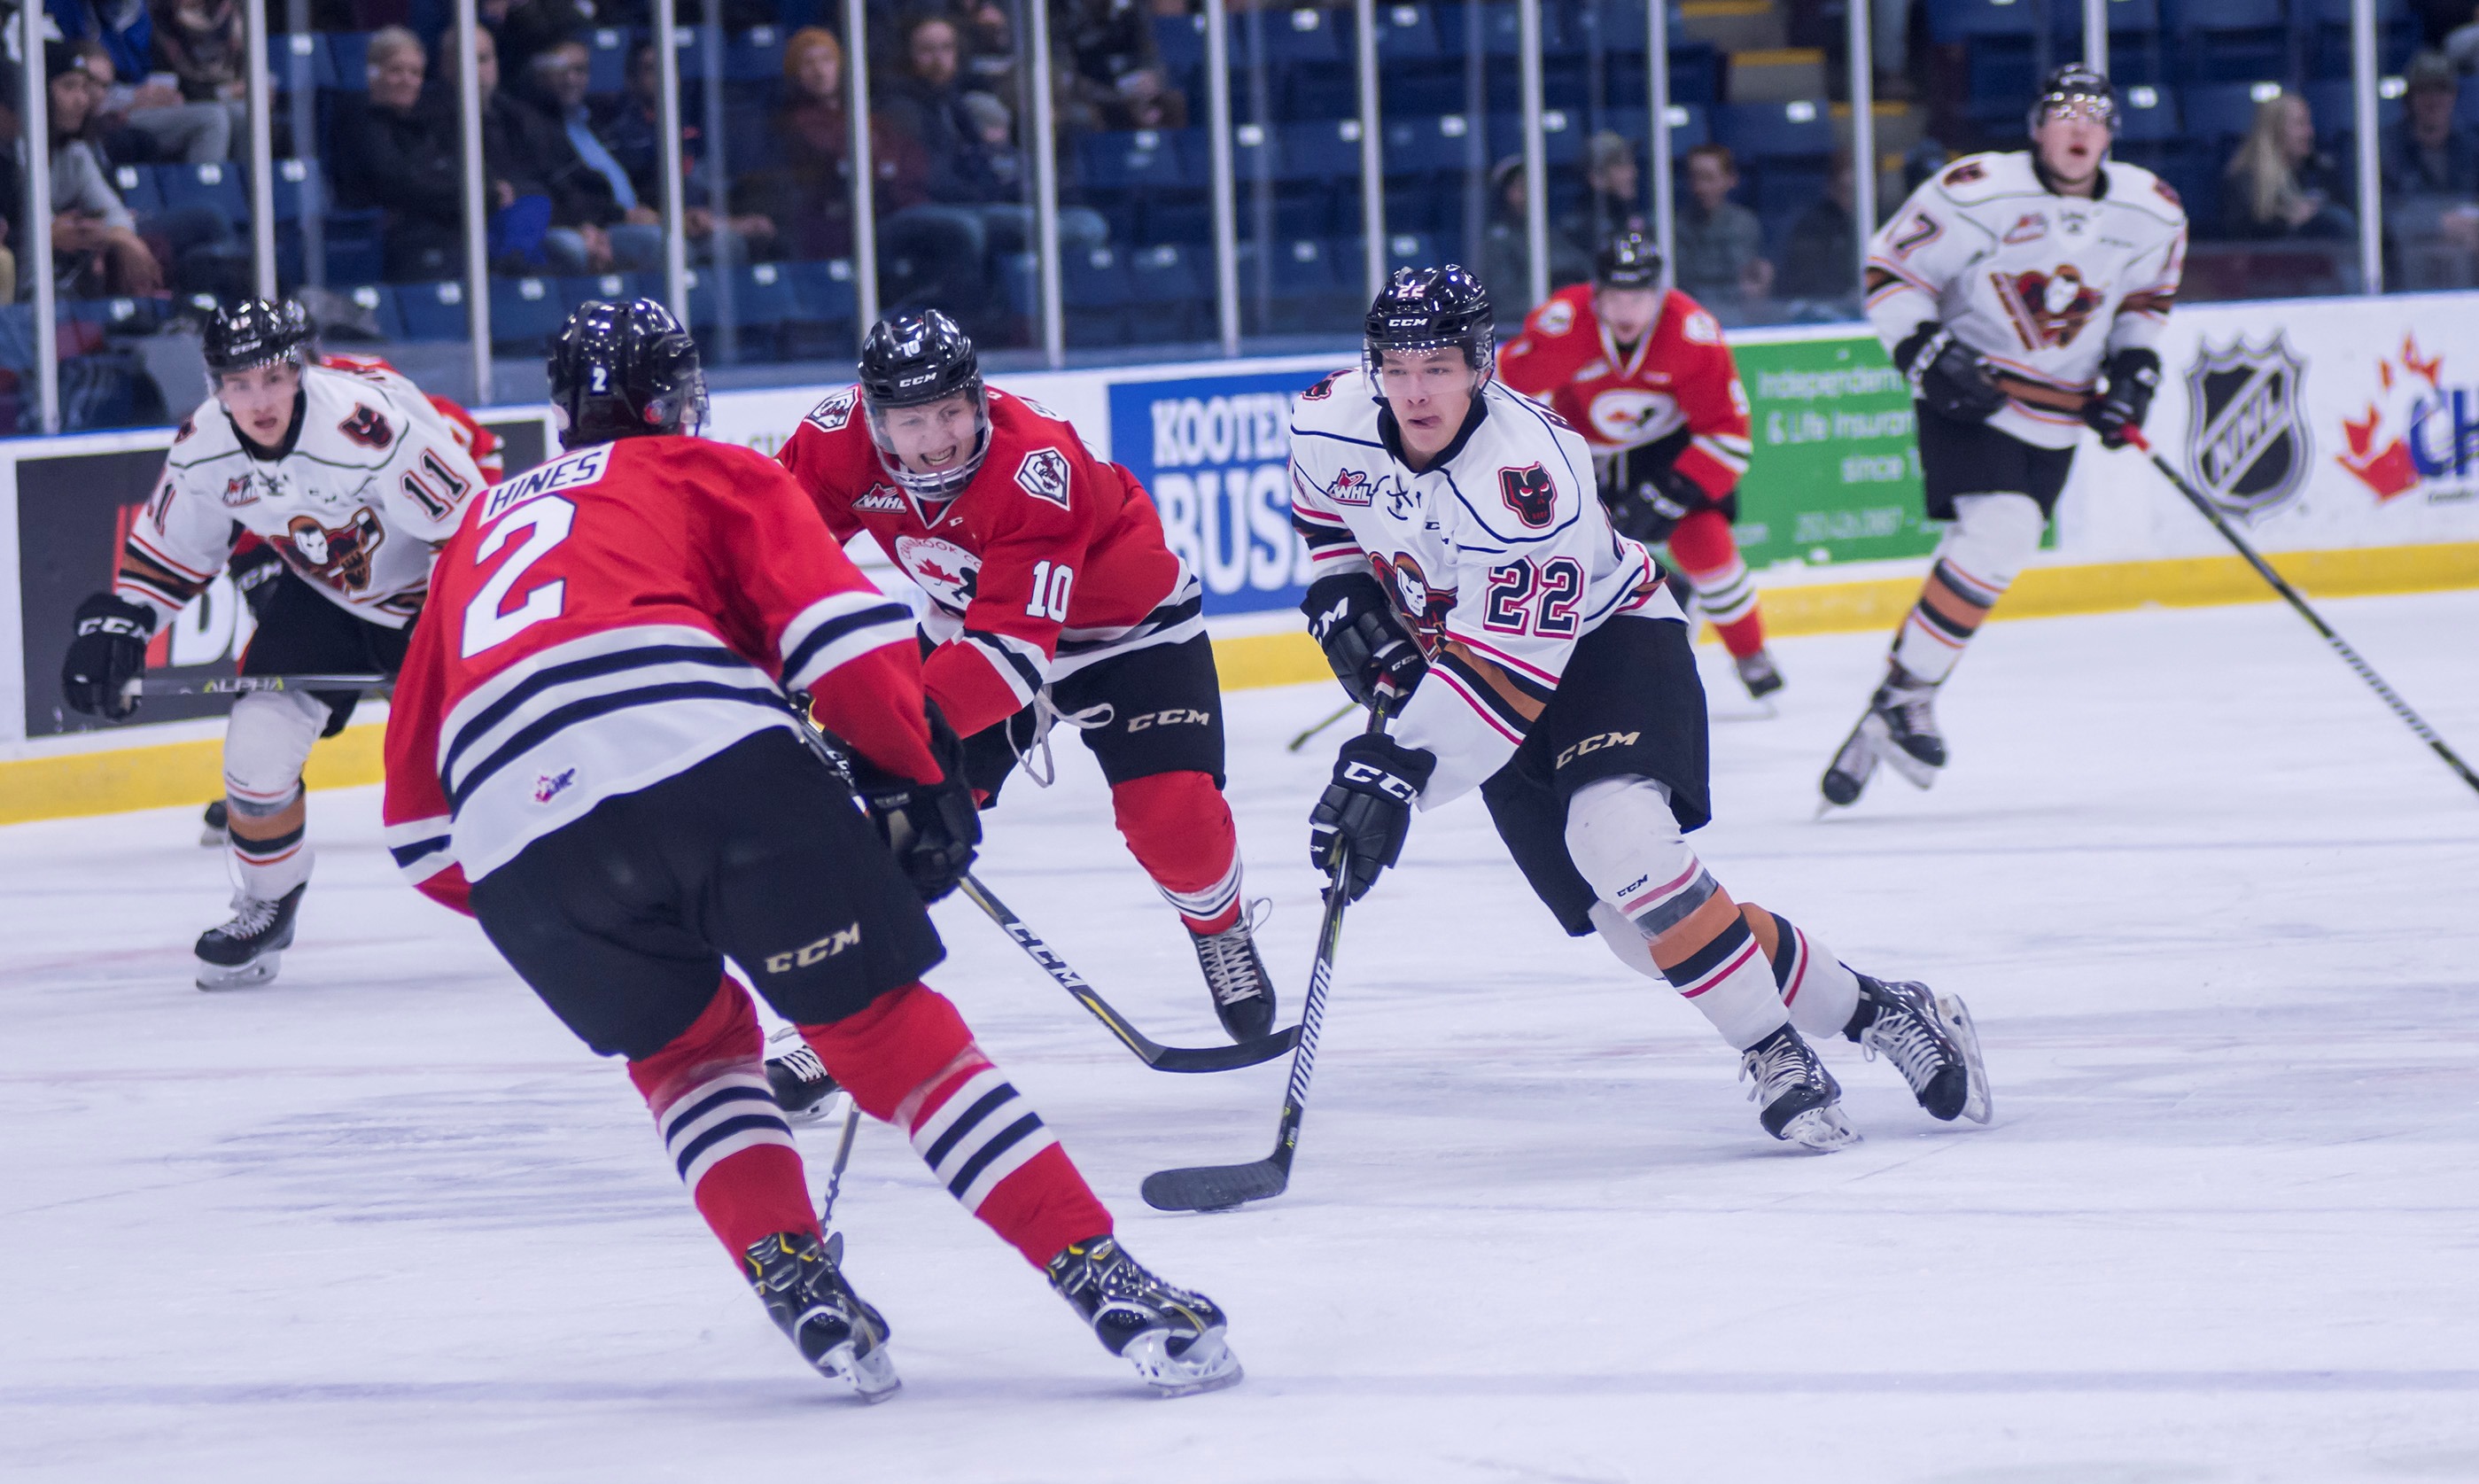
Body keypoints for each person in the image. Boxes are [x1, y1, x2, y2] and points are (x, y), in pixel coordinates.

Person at [377, 298, 1241, 1400]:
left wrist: (555, 889)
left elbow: (412, 829)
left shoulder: (473, 535)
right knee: (897, 1042)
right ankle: (1103, 1280)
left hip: (523, 855)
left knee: (690, 1062)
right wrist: (902, 782)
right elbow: (840, 640)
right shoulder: (713, 472)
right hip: (713, 769)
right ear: (682, 400)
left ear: (556, 415)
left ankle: (795, 1280)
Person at [1290, 265, 1990, 1151]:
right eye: (1395, 366)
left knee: (1619, 844)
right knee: (1633, 924)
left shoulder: (1527, 473)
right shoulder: (1327, 419)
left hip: (1600, 645)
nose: (1414, 389)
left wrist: (1393, 776)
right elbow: (1327, 521)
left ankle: (1775, 1049)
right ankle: (1878, 1008)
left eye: (1437, 365)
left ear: (1480, 363)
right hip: (1473, 674)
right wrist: (1343, 598)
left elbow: (1510, 673)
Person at [774, 309, 1280, 1046]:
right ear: (875, 419)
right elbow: (769, 555)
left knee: (1172, 818)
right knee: (888, 831)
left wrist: (886, 731)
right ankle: (838, 1025)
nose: (938, 438)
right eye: (913, 420)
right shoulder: (831, 442)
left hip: (1126, 634)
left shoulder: (1036, 465)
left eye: (951, 411)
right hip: (969, 621)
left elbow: (1013, 656)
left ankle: (1218, 922)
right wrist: (765, 667)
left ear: (979, 399)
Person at [57, 299, 490, 988]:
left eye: (271, 378)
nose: (257, 400)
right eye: (238, 383)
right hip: (326, 602)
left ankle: (569, 866)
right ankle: (266, 903)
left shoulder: (368, 429)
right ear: (214, 385)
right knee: (255, 752)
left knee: (486, 749)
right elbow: (171, 555)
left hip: (430, 602)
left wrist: (443, 633)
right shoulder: (204, 444)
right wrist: (119, 624)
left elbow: (474, 536)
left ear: (299, 371)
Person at [1824, 66, 2184, 807]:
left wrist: (2135, 376)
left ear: (2111, 135)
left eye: (2094, 116)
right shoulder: (1977, 188)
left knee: (1997, 547)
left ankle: (1899, 697)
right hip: (1970, 393)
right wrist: (1923, 351)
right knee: (2003, 527)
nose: (2079, 127)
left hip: (2058, 412)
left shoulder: (2153, 210)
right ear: (2035, 127)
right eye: (2063, 113)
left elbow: (2144, 305)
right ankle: (1910, 693)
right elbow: (1892, 269)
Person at [1496, 233, 1783, 699]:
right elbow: (1503, 393)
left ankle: (1750, 652)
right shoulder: (1565, 324)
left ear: (1660, 295)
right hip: (1582, 453)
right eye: (1616, 297)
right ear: (1597, 295)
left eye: (1640, 297)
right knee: (1559, 560)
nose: (1628, 311)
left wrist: (1672, 490)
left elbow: (1728, 432)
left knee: (1706, 542)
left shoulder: (1692, 332)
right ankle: (1541, 662)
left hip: (1665, 450)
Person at [329, 27, 465, 282]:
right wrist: (469, 194)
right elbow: (399, 182)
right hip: (382, 241)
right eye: (396, 70)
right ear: (372, 72)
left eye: (415, 73)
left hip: (432, 228)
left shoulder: (423, 123)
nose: (407, 80)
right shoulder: (360, 120)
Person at [2382, 53, 2479, 287]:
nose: (2433, 100)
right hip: (2406, 271)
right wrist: (2437, 223)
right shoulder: (2386, 149)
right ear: (2409, 99)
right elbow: (2380, 214)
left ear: (2454, 96)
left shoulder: (2472, 148)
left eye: (2442, 90)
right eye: (2424, 91)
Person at [2219, 90, 2353, 241]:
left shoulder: (2320, 172)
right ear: (2274, 130)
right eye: (2300, 124)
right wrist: (2288, 221)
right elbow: (2242, 236)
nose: (2309, 133)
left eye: (2309, 124)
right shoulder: (2245, 181)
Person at [1674, 144, 1772, 316]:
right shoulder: (1675, 228)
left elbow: (1751, 282)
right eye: (1695, 178)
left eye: (1709, 178)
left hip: (1739, 318)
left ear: (1730, 179)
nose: (1701, 188)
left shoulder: (1746, 224)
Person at [1776, 150, 1860, 306]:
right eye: (1844, 190)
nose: (1849, 200)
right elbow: (1805, 281)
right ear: (1831, 186)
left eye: (1855, 192)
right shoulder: (1811, 226)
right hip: (1824, 311)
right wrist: (1844, 297)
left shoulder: (1883, 222)